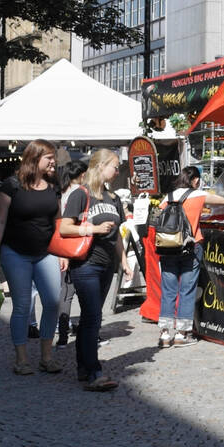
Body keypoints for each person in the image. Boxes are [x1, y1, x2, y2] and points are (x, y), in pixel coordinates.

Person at [58, 149, 132, 392]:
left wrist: (123, 261)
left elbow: (118, 234)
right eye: (115, 166)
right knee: (93, 317)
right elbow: (65, 228)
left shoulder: (114, 198)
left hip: (107, 264)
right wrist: (92, 230)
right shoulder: (81, 194)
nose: (118, 171)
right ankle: (94, 371)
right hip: (86, 263)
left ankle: (83, 367)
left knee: (92, 317)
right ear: (100, 167)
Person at [0, 140, 62, 375]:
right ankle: (21, 359)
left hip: (46, 252)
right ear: (34, 158)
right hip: (15, 252)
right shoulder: (11, 185)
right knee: (22, 305)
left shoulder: (53, 186)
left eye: (53, 157)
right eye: (49, 157)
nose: (53, 161)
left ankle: (46, 357)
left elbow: (57, 221)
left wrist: (62, 251)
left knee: (52, 302)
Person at [157, 165, 224, 349]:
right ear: (195, 180)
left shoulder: (168, 197)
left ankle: (165, 334)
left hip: (168, 247)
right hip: (191, 246)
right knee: (187, 290)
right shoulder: (198, 194)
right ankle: (181, 334)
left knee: (168, 290)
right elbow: (223, 201)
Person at [54, 160, 88, 348]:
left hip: (64, 246)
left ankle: (63, 335)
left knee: (65, 293)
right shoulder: (80, 193)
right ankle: (84, 332)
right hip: (77, 244)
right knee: (81, 292)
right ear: (82, 174)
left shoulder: (62, 192)